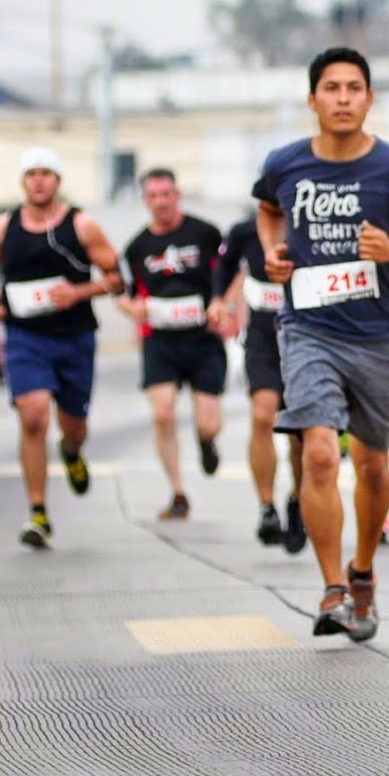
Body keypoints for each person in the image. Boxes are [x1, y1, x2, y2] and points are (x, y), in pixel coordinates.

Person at [253, 45, 389, 642]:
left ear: (369, 99)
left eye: (354, 88)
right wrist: (272, 252)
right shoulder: (285, 164)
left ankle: (364, 571)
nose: (342, 98)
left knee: (370, 460)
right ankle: (333, 586)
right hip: (308, 328)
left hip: (380, 335)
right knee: (317, 453)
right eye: (331, 88)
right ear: (312, 100)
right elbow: (266, 210)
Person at [0, 146, 126, 549]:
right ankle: (38, 513)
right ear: (23, 182)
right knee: (34, 415)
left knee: (72, 425)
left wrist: (79, 291)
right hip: (26, 337)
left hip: (74, 338)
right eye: (31, 174)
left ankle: (72, 452)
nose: (38, 180)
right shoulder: (2, 228)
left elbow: (117, 277)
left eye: (46, 173)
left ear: (57, 180)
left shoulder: (82, 225)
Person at [116, 168, 229, 521]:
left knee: (208, 422)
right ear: (145, 201)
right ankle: (178, 492)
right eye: (153, 196)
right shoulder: (137, 248)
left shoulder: (205, 233)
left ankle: (206, 441)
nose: (161, 202)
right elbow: (121, 292)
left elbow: (229, 274)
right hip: (160, 340)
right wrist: (132, 309)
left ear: (177, 195)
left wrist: (221, 303)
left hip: (203, 338)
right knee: (162, 414)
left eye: (166, 194)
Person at [214, 212, 308, 553]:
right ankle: (267, 507)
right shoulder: (243, 231)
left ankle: (298, 500)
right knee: (263, 416)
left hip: (305, 337)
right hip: (262, 339)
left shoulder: (310, 225)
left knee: (300, 434)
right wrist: (219, 302)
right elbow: (224, 268)